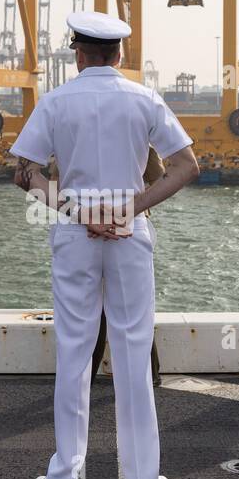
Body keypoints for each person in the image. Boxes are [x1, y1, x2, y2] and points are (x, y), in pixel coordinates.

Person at [11, 11, 199, 479]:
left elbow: (24, 172)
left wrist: (78, 210)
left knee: (74, 351)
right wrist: (129, 208)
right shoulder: (145, 98)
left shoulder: (55, 101)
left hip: (75, 230)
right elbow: (186, 166)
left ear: (78, 53)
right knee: (133, 350)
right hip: (130, 231)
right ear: (119, 54)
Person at [90, 148, 163, 387]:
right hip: (130, 223)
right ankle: (149, 375)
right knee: (135, 308)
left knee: (93, 307)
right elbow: (162, 178)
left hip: (88, 225)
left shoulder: (73, 133)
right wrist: (134, 205)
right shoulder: (138, 138)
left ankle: (86, 377)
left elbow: (55, 181)